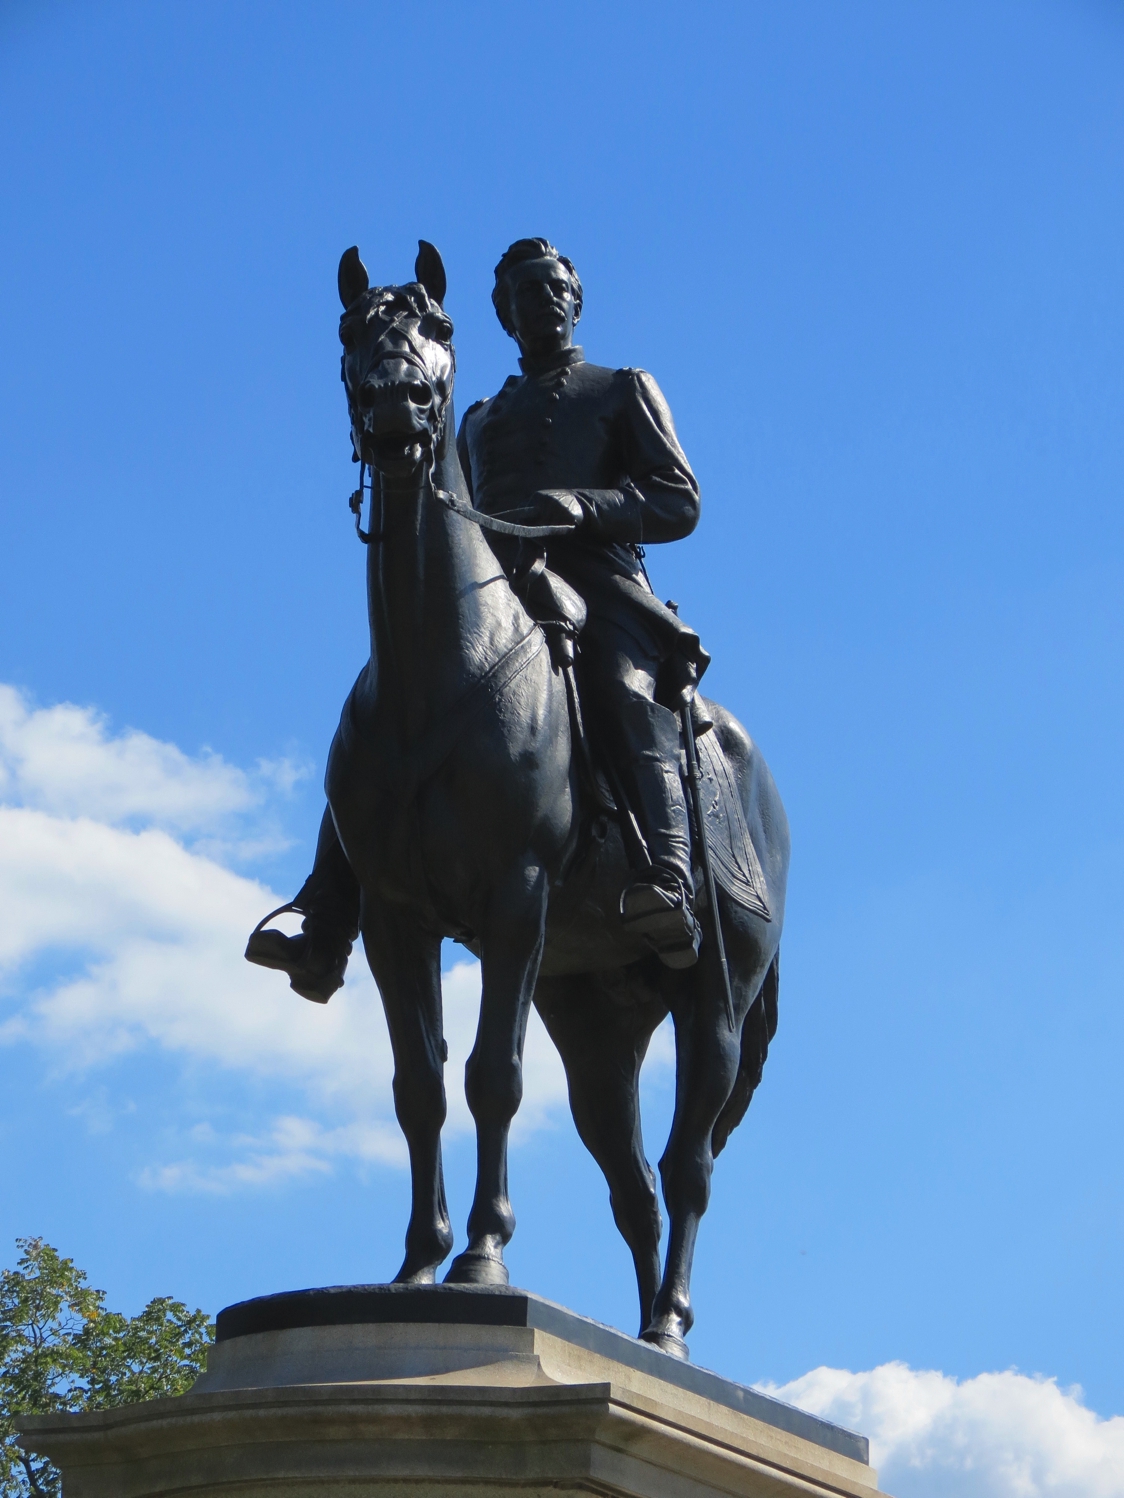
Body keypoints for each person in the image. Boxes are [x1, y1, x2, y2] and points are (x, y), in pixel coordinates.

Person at [247, 238, 708, 998]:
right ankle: (326, 920)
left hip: (599, 582)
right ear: (503, 314)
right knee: (382, 715)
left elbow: (678, 500)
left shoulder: (621, 388)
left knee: (624, 693)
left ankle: (668, 878)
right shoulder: (482, 416)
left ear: (575, 298)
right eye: (523, 294)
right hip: (495, 593)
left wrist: (584, 508)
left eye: (552, 287)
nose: (541, 302)